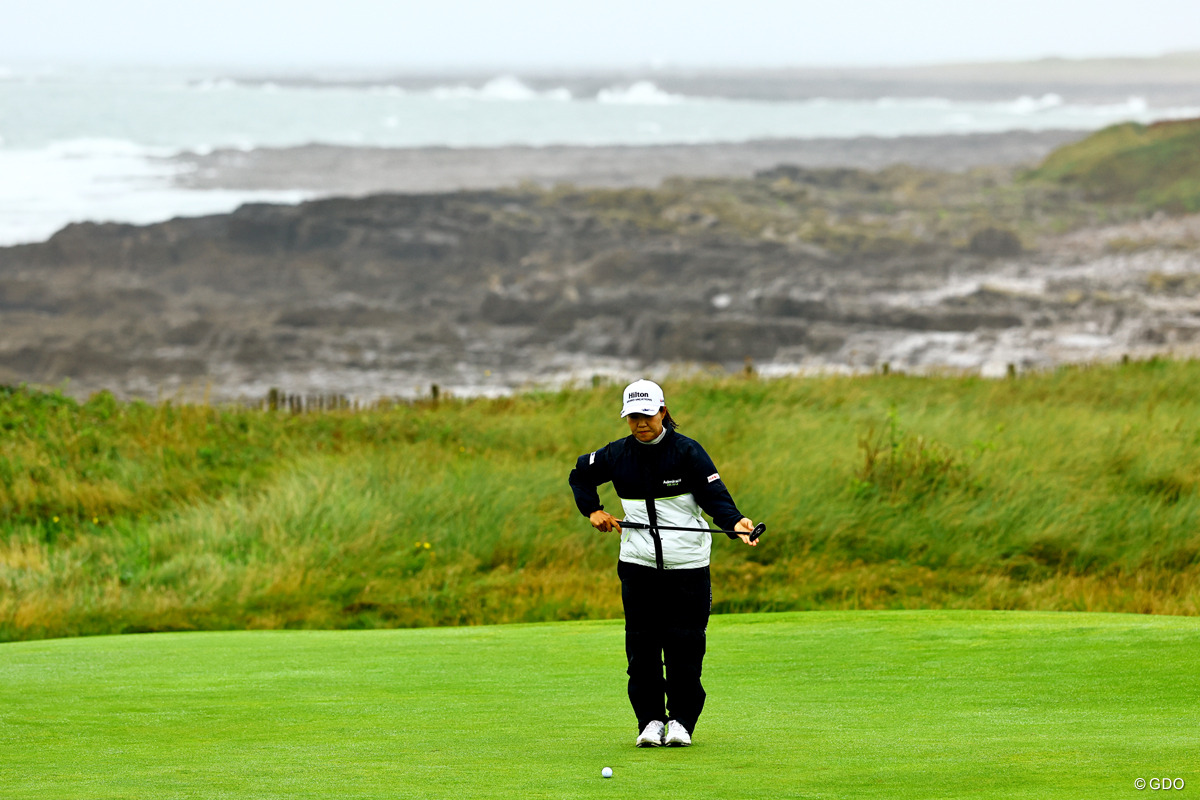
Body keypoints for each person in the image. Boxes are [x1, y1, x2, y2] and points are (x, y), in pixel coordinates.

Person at [568, 379, 758, 748]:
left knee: (684, 646)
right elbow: (580, 474)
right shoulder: (617, 455)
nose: (641, 423)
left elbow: (714, 496)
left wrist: (735, 524)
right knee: (641, 649)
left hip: (687, 566)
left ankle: (682, 722)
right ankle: (651, 721)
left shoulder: (687, 452)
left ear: (663, 412)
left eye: (648, 414)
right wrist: (592, 509)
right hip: (637, 566)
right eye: (633, 416)